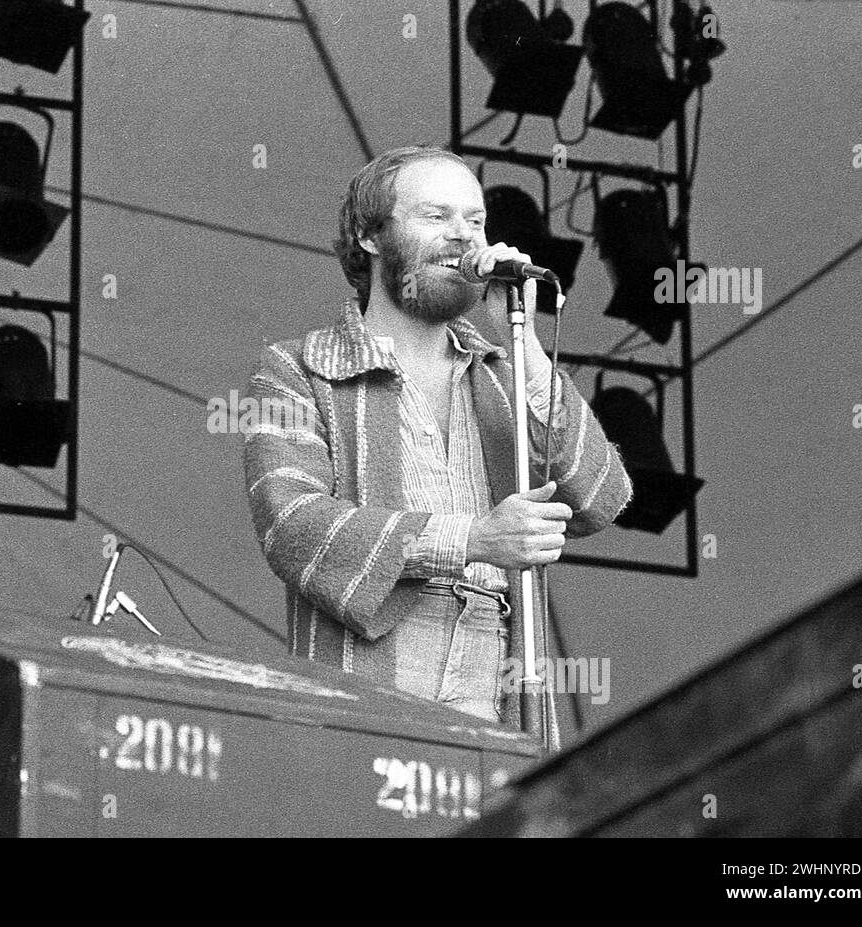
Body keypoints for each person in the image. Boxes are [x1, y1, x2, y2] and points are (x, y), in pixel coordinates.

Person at [241, 145, 633, 748]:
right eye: (436, 217)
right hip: (374, 659)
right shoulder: (297, 369)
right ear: (371, 235)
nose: (463, 237)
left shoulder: (506, 373)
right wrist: (473, 541)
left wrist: (522, 345)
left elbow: (599, 496)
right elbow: (293, 526)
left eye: (475, 221)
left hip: (499, 659)